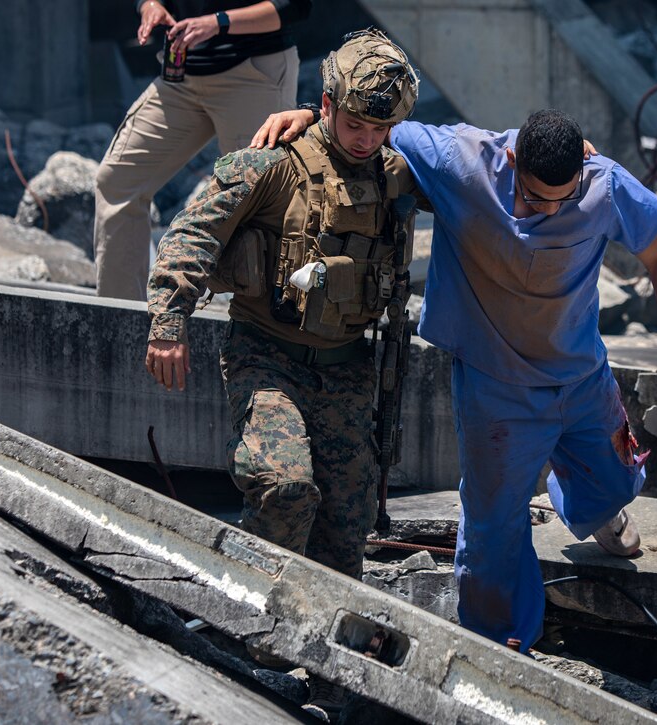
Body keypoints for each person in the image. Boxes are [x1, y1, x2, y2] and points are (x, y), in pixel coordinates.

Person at [252, 106, 657, 653]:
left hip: (581, 378)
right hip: (496, 391)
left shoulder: (605, 185)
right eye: (533, 198)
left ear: (581, 165)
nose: (546, 211)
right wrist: (314, 113)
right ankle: (498, 638)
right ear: (511, 160)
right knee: (492, 528)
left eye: (562, 199)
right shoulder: (462, 161)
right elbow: (374, 123)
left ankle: (587, 498)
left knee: (617, 478)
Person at [144, 29, 422, 717]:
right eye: (354, 123)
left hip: (349, 367)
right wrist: (168, 320)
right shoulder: (270, 165)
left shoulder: (396, 173)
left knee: (348, 521)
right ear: (325, 104)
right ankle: (253, 643)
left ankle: (328, 662)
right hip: (266, 351)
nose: (365, 138)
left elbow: (482, 162)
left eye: (380, 126)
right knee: (284, 483)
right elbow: (192, 232)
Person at [94, 0, 311, 301]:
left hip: (252, 72)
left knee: (263, 206)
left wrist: (218, 22)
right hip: (181, 74)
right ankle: (119, 319)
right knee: (118, 182)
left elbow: (292, 7)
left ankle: (261, 333)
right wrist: (150, 6)